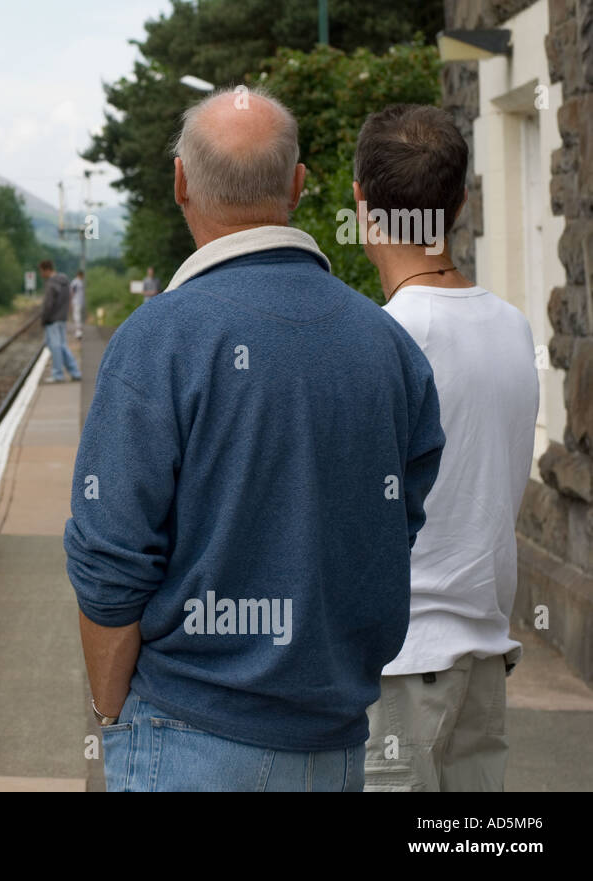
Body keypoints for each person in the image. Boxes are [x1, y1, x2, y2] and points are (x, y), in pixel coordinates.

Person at [64, 85, 445, 792]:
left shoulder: (156, 340)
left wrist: (110, 713)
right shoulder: (387, 345)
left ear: (180, 182)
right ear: (298, 186)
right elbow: (396, 522)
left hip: (184, 733)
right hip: (333, 746)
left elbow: (110, 556)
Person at [353, 104, 539, 792]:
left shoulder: (385, 340)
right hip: (484, 658)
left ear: (361, 202)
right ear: (461, 199)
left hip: (401, 666)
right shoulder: (514, 327)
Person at [39, 260, 81, 383]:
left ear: (47, 270)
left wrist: (44, 319)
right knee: (61, 345)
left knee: (55, 346)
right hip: (62, 318)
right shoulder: (64, 281)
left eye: (41, 271)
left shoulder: (51, 283)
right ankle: (75, 372)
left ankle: (58, 374)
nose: (41, 274)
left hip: (52, 319)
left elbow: (48, 304)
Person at [70, 270, 85, 339]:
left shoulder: (78, 282)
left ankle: (78, 332)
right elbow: (72, 292)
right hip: (76, 301)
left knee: (77, 316)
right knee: (77, 316)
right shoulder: (76, 282)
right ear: (80, 275)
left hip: (77, 302)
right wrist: (71, 301)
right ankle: (78, 332)